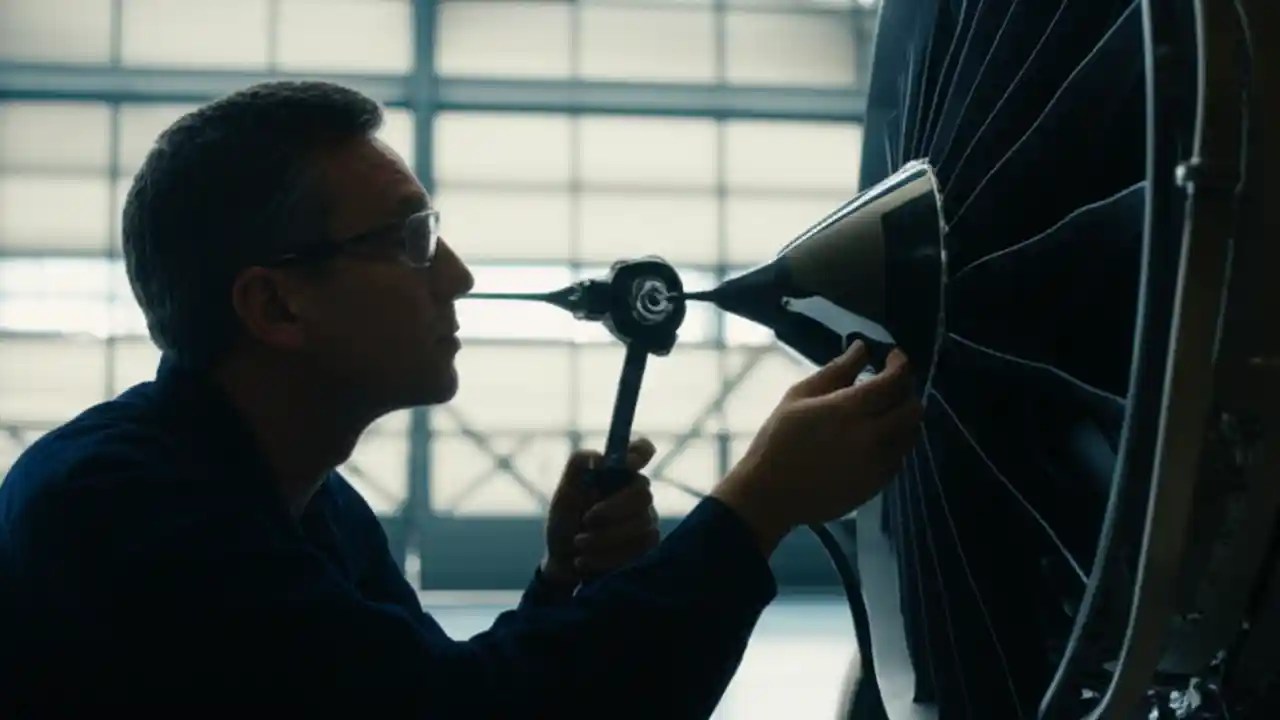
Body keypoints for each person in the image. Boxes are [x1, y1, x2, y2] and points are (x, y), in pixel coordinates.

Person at [0, 81, 924, 718]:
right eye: (409, 240)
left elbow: (428, 690)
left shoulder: (304, 501)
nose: (457, 274)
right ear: (276, 303)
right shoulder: (119, 515)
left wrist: (563, 583)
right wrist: (755, 510)